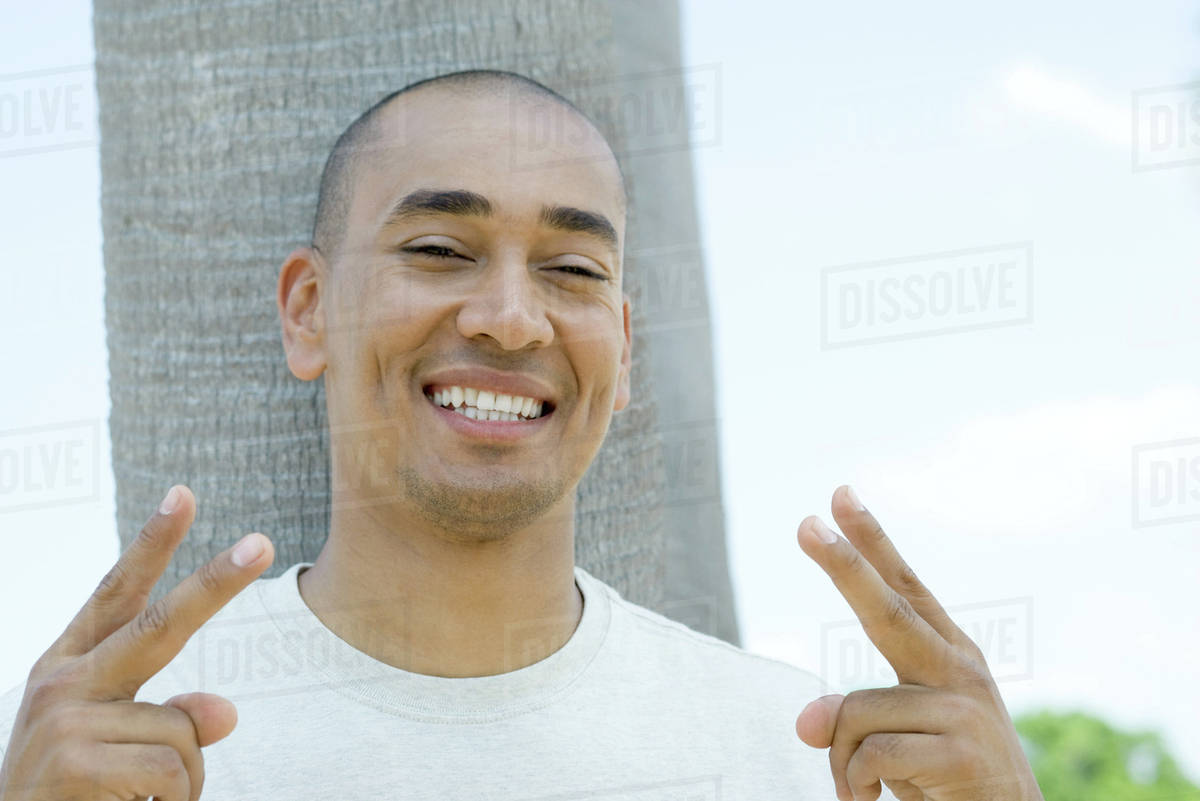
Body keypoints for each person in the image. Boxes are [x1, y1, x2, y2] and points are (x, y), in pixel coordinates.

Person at [0, 70, 1043, 801]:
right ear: (308, 309)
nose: (510, 316)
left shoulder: (806, 757)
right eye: (443, 247)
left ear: (623, 348)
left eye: (573, 269)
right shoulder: (98, 755)